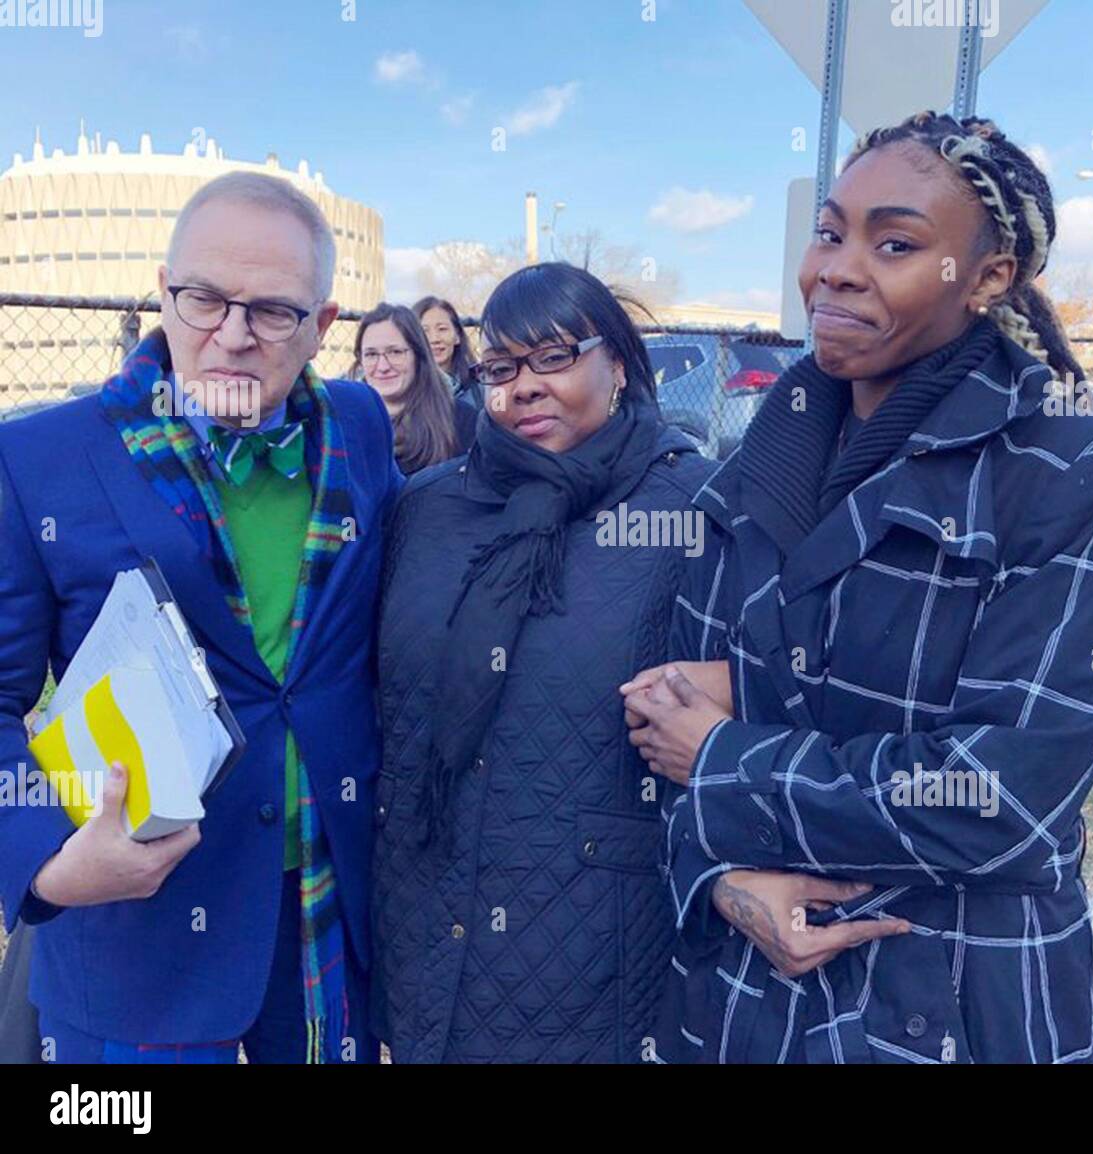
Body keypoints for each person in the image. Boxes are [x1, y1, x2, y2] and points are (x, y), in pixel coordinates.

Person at [622, 112, 1093, 1064]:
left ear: (990, 278)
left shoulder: (1077, 476)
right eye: (830, 232)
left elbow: (998, 799)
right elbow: (655, 732)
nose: (836, 267)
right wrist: (719, 878)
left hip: (946, 1004)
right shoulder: (754, 464)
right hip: (740, 1004)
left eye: (896, 244)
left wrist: (725, 749)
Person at [0, 171, 402, 1063]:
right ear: (162, 294)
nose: (231, 334)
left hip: (325, 920)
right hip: (137, 945)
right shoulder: (41, 458)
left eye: (270, 311)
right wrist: (50, 863)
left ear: (323, 326)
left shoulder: (362, 427)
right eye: (203, 298)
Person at [372, 263, 715, 1062]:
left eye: (555, 357)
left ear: (620, 364)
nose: (523, 387)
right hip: (426, 919)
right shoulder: (429, 509)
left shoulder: (692, 509)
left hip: (594, 942)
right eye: (501, 368)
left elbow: (743, 711)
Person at [354, 303, 475, 473]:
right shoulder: (347, 423)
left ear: (418, 354)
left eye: (395, 352)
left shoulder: (460, 420)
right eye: (371, 354)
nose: (382, 366)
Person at [414, 295, 481, 407]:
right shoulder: (401, 391)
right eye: (424, 331)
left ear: (457, 336)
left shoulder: (481, 387)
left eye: (442, 329)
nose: (434, 339)